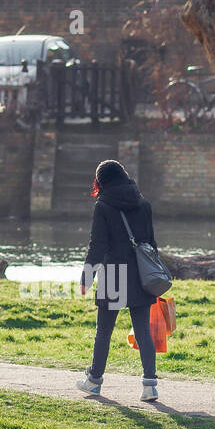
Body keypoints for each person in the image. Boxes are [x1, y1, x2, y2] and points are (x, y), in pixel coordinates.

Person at [76, 159, 160, 402]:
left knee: (103, 331)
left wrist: (87, 277)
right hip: (141, 274)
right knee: (144, 331)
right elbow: (151, 244)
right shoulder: (143, 204)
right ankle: (150, 386)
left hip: (114, 274)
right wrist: (155, 276)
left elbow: (97, 246)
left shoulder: (103, 207)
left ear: (101, 182)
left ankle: (94, 382)